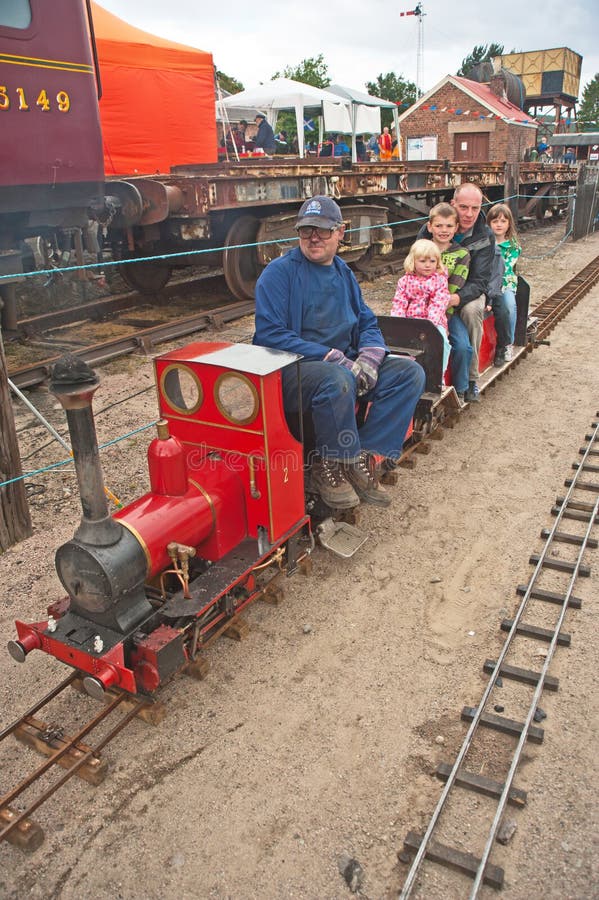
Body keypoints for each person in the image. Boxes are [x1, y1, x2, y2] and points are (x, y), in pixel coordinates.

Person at [253, 195, 425, 510]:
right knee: (337, 379)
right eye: (306, 231)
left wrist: (370, 358)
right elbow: (270, 334)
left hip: (343, 366)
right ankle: (326, 464)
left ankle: (360, 456)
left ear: (340, 232)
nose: (314, 237)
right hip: (294, 372)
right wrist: (334, 358)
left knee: (410, 373)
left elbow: (367, 322)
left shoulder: (343, 273)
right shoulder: (279, 273)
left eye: (322, 230)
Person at [418, 183, 495, 403]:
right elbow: (415, 266)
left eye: (475, 208)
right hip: (433, 297)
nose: (469, 214)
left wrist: (454, 298)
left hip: (465, 291)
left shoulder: (484, 235)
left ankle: (470, 380)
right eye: (463, 207)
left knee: (471, 312)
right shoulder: (427, 231)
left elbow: (480, 281)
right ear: (453, 204)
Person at [426, 202, 472, 399]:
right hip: (420, 311)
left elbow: (455, 285)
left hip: (446, 312)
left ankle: (461, 389)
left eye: (448, 226)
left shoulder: (462, 254)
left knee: (462, 346)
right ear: (430, 227)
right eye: (439, 226)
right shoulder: (421, 249)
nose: (443, 231)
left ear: (456, 228)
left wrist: (439, 310)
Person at [391, 239, 452, 373]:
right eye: (423, 261)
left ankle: (438, 375)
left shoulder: (439, 280)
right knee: (398, 344)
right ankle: (402, 372)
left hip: (432, 323)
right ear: (413, 261)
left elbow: (439, 303)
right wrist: (398, 322)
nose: (428, 265)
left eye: (432, 261)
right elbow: (399, 303)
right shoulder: (405, 281)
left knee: (442, 343)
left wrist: (429, 324)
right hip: (410, 321)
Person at [486, 203, 521, 365]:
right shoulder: (485, 243)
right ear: (489, 224)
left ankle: (506, 344)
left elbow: (503, 269)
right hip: (487, 282)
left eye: (502, 221)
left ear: (509, 224)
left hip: (505, 283)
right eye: (495, 221)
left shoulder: (513, 246)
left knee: (508, 306)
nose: (499, 225)